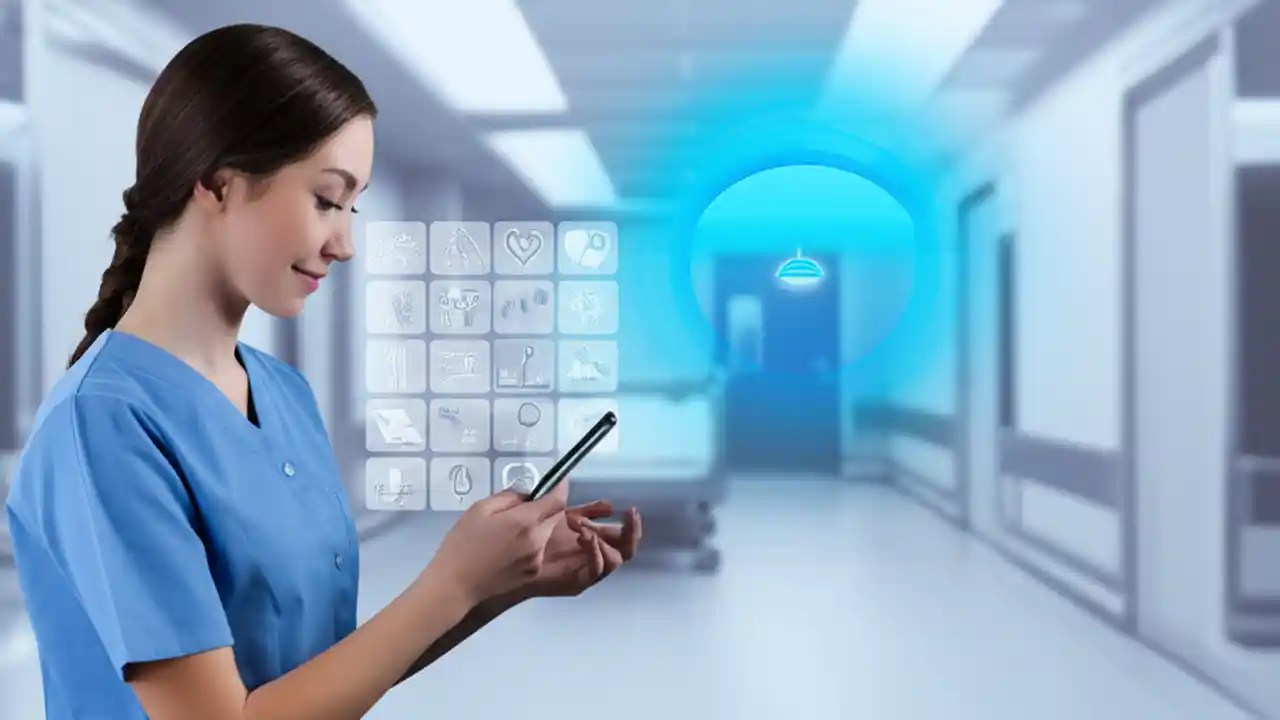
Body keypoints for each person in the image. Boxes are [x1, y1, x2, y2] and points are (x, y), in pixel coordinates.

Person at [2, 23, 641, 720]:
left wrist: (497, 583)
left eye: (354, 206)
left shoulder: (283, 394)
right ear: (219, 183)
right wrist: (450, 582)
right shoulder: (102, 427)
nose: (346, 244)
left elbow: (321, 680)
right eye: (327, 200)